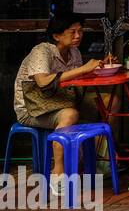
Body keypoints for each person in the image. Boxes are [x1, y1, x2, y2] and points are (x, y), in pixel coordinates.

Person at [13, 13, 114, 181]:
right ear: (56, 36)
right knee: (70, 114)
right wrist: (83, 69)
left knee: (110, 101)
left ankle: (94, 161)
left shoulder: (74, 53)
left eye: (80, 31)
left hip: (62, 100)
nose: (77, 36)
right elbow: (43, 81)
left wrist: (99, 67)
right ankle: (58, 174)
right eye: (72, 32)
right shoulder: (42, 51)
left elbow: (77, 79)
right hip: (32, 108)